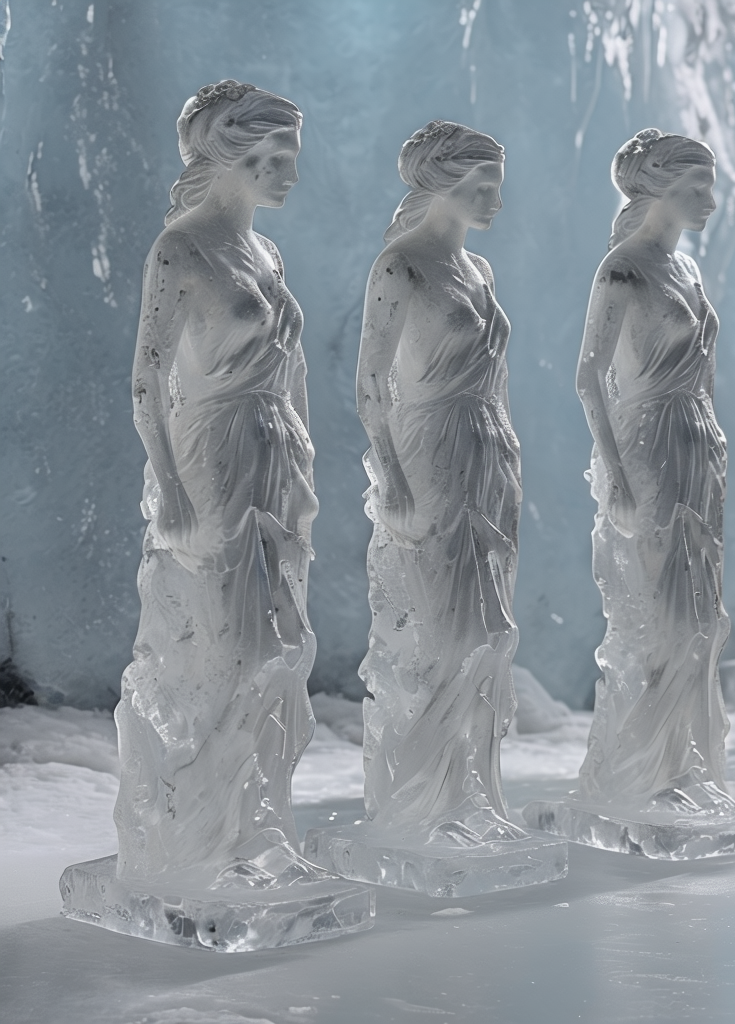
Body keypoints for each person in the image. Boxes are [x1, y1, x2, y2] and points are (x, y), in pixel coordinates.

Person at [115, 81, 322, 884]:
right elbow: (146, 377)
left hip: (275, 456)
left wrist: (304, 460)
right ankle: (197, 840)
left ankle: (255, 833)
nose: (288, 175)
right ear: (226, 158)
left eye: (292, 158)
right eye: (271, 159)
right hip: (214, 454)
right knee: (222, 649)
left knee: (279, 646)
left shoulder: (266, 252)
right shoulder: (181, 249)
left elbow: (292, 368)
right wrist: (166, 485)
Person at [356, 120, 525, 845]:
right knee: (439, 629)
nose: (493, 197)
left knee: (489, 628)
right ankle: (423, 801)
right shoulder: (402, 266)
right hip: (432, 449)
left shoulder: (478, 271)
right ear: (440, 185)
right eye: (479, 183)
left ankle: (472, 796)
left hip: (488, 451)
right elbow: (369, 382)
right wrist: (389, 472)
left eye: (496, 182)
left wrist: (508, 452)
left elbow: (499, 376)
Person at [575, 128, 735, 811]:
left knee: (700, 613)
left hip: (696, 440)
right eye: (698, 186)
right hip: (650, 441)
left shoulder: (687, 269)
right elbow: (589, 375)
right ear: (660, 188)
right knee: (658, 612)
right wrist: (614, 471)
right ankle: (647, 772)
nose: (710, 199)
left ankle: (686, 764)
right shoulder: (623, 269)